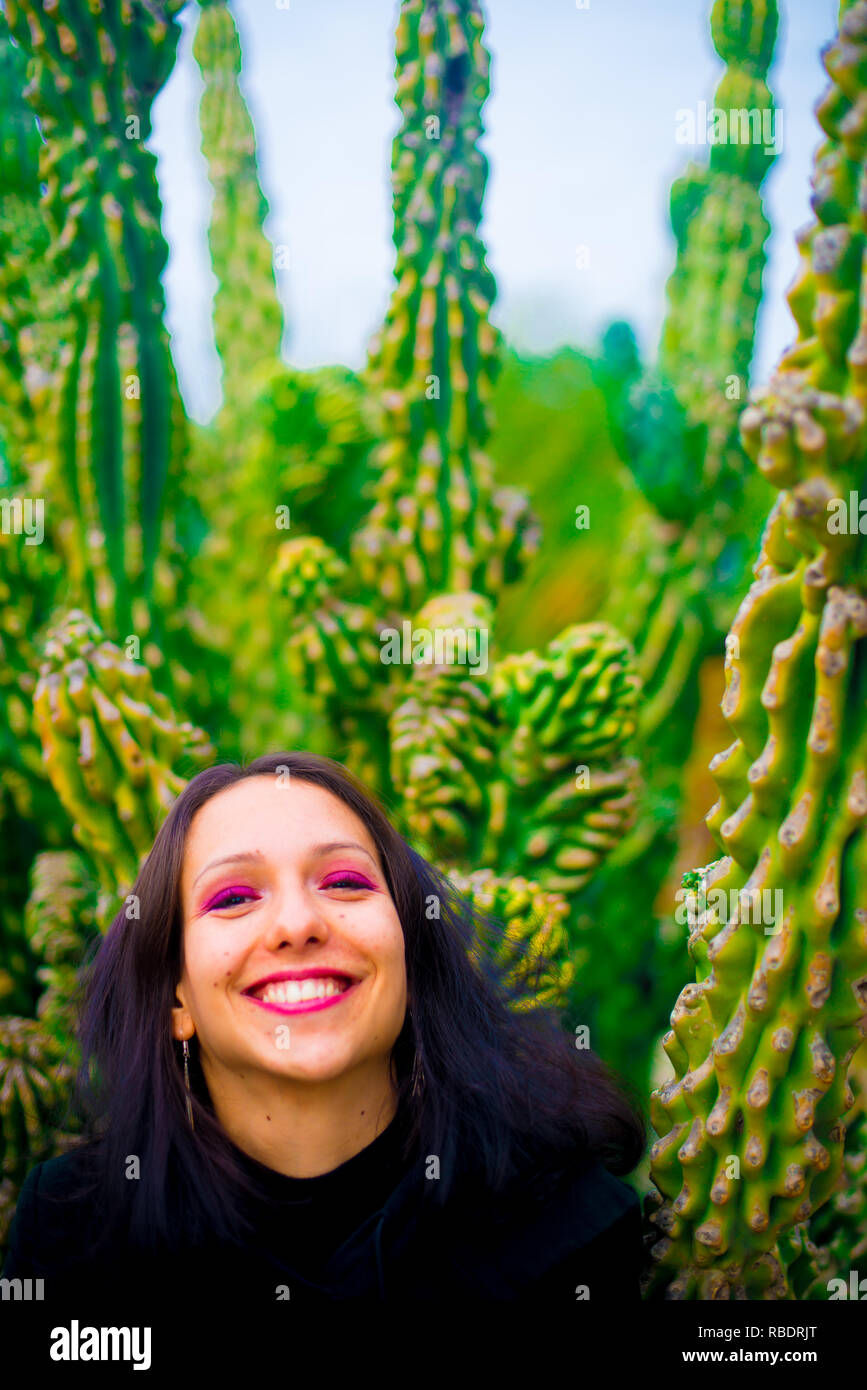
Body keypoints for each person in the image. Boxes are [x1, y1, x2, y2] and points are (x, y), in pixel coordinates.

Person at [2, 750, 648, 1311]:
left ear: (409, 959)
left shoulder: (571, 1227)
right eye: (232, 898)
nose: (298, 922)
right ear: (177, 1000)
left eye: (343, 883)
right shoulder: (67, 1235)